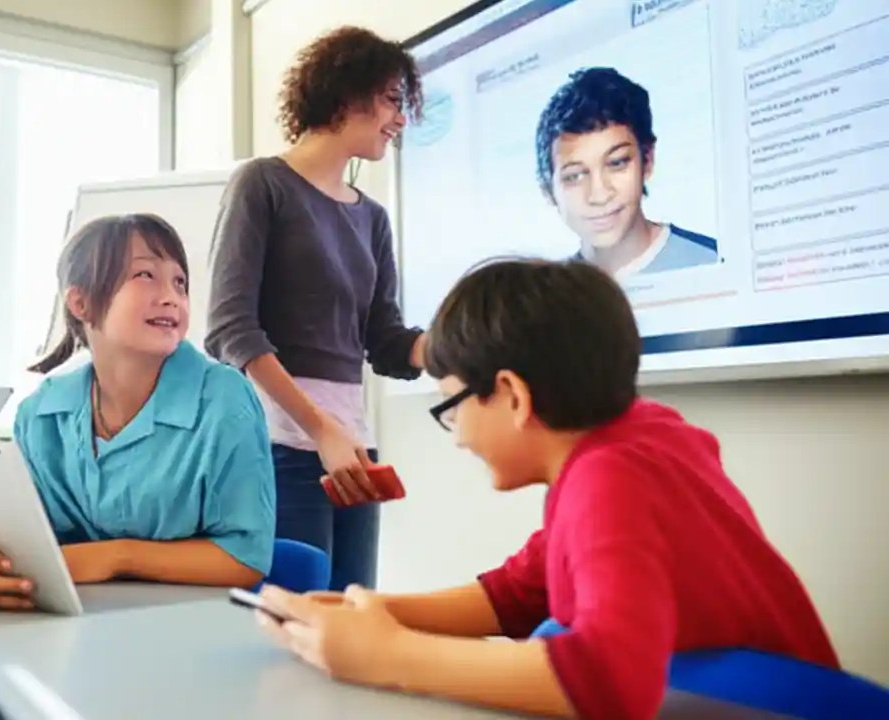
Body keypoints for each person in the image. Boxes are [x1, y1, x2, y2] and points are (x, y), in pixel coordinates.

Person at [254, 259, 838, 719]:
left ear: (511, 394)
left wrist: (386, 656)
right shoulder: (636, 440)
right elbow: (519, 591)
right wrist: (375, 610)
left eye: (451, 407)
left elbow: (608, 679)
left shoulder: (609, 479)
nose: (456, 437)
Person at [0, 215, 275, 610]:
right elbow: (20, 541)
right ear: (81, 302)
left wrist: (117, 557)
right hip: (68, 627)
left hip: (189, 632)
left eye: (179, 282)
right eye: (145, 275)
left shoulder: (224, 400)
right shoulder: (42, 412)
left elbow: (245, 556)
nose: (171, 296)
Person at [205, 26, 426, 591]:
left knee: (355, 616)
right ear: (348, 93)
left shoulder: (371, 217)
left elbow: (385, 339)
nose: (400, 120)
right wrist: (318, 428)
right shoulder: (263, 184)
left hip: (353, 446)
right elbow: (231, 327)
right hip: (280, 445)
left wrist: (458, 344)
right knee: (293, 627)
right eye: (393, 101)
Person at [536, 67, 719, 278]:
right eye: (574, 176)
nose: (599, 195)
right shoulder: (544, 297)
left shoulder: (712, 260)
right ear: (548, 191)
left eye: (616, 163)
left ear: (647, 160)